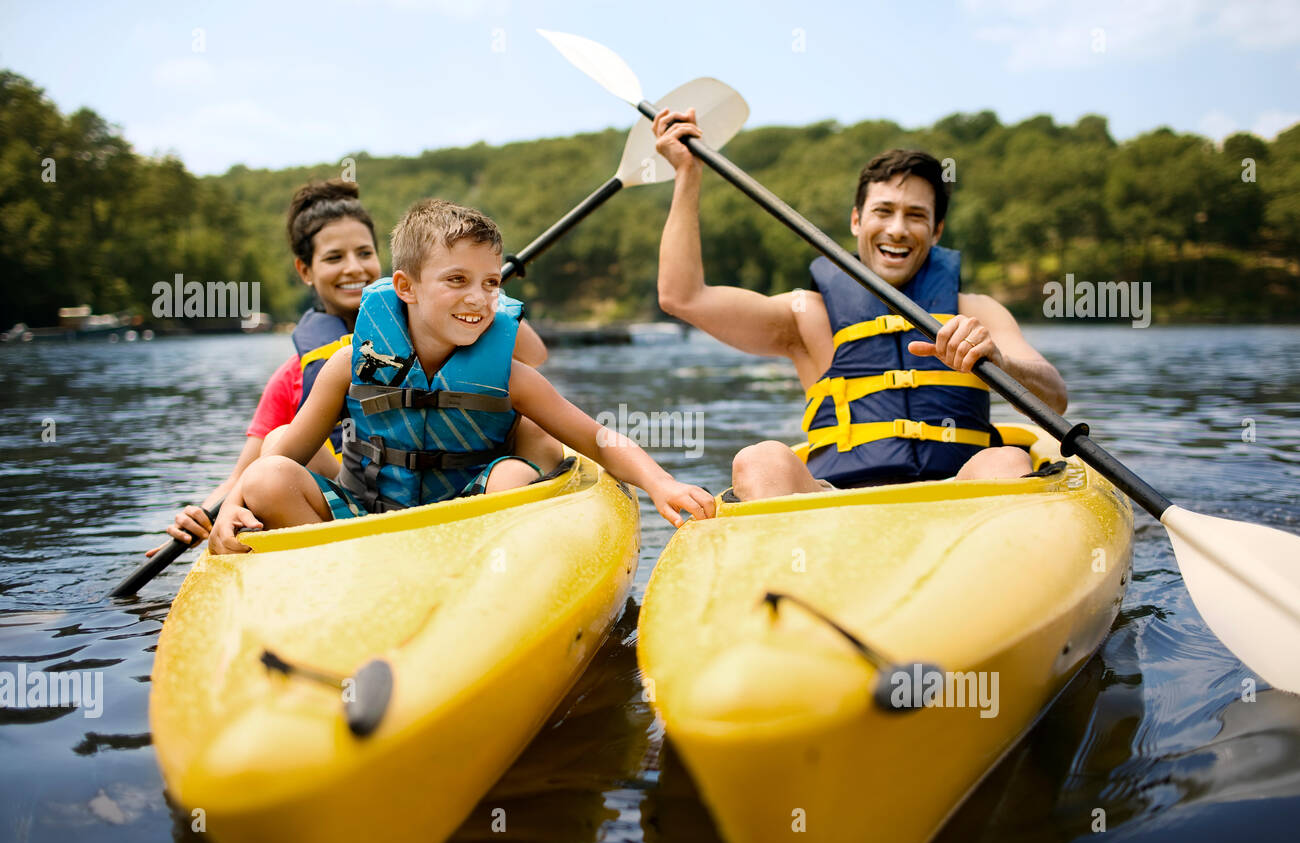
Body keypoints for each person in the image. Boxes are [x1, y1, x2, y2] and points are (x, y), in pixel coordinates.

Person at [209, 199, 715, 553]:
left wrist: (660, 483)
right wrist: (235, 502)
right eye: (457, 280)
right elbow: (285, 450)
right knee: (269, 475)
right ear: (405, 287)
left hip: (463, 520)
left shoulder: (511, 377)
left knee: (514, 475)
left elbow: (598, 440)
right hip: (364, 522)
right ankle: (330, 583)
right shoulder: (349, 364)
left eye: (490, 283)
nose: (478, 298)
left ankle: (486, 593)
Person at [652, 109, 1069, 500]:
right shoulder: (806, 315)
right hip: (837, 511)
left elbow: (1055, 400)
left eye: (916, 216)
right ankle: (785, 574)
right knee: (758, 460)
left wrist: (1000, 363)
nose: (897, 229)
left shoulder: (978, 312)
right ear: (856, 221)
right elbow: (682, 297)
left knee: (1007, 460)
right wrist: (688, 174)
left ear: (937, 230)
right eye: (883, 211)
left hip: (959, 501)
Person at [148, 180, 553, 555]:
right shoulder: (295, 374)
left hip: (455, 479)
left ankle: (526, 536)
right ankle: (337, 568)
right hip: (350, 494)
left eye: (364, 253)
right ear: (305, 271)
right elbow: (250, 468)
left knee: (535, 428)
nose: (353, 268)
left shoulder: (457, 327)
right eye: (333, 257)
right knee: (279, 439)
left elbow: (533, 355)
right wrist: (205, 513)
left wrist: (477, 292)